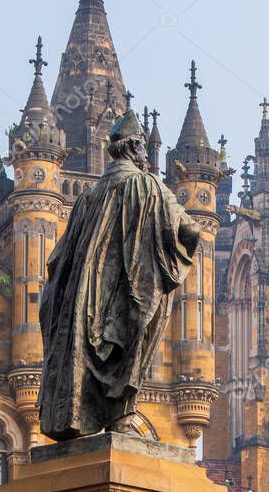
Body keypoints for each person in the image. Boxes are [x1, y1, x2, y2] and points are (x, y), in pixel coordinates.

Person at [38, 110, 201, 440]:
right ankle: (120, 418)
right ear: (137, 148)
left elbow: (58, 260)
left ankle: (78, 417)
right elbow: (189, 229)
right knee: (129, 348)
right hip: (129, 295)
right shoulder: (148, 186)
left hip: (83, 303)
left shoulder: (87, 197)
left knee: (89, 353)